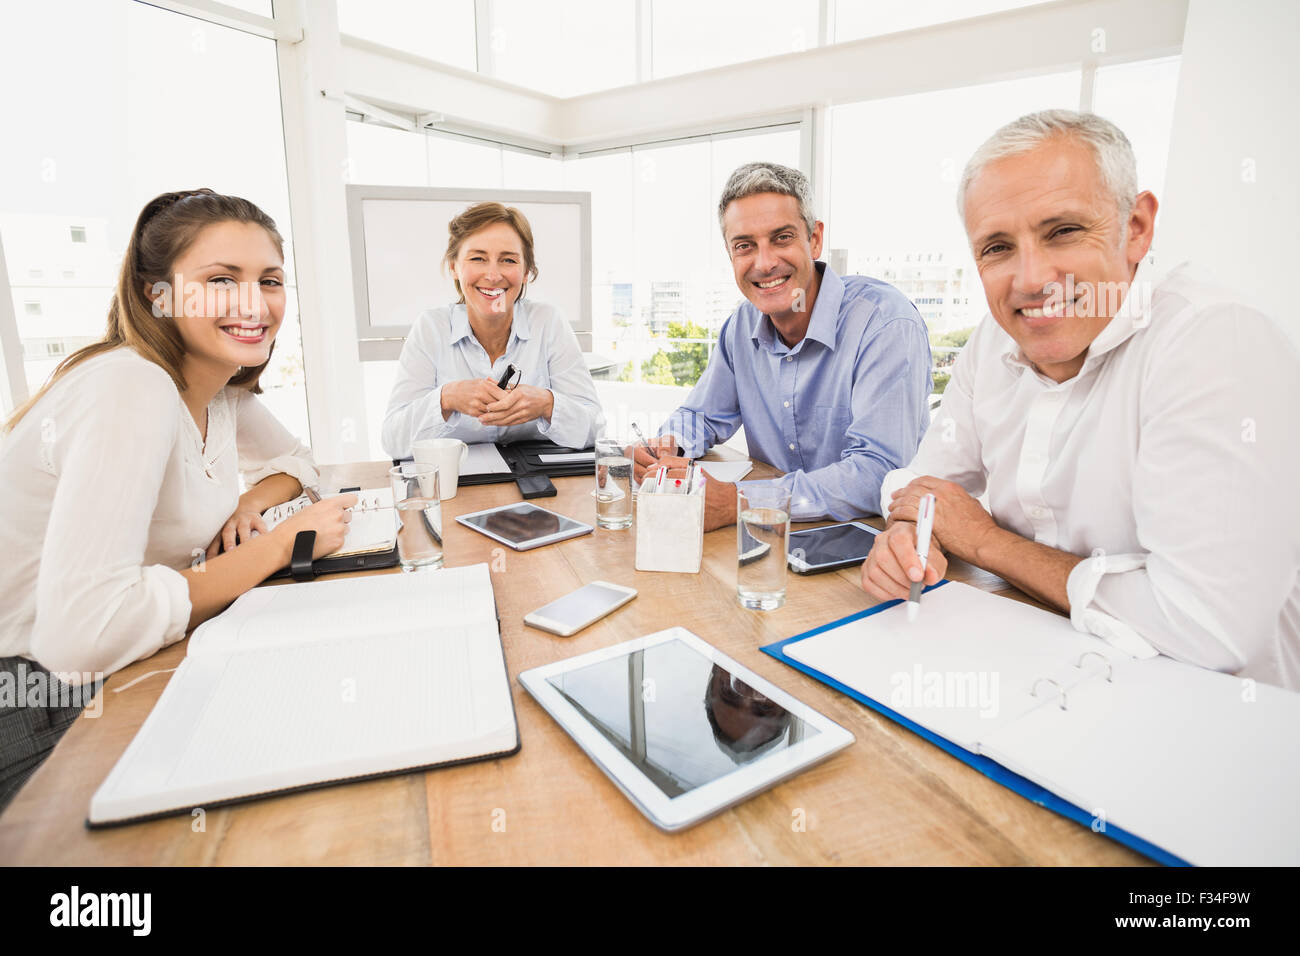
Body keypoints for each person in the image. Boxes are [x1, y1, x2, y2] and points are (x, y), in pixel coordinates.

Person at [860, 110, 1300, 690]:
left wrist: (988, 542)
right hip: (1046, 675)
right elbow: (924, 488)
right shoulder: (992, 342)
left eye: (1062, 231)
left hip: (1215, 719)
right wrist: (905, 537)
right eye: (997, 247)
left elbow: (1206, 629)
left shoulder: (1216, 340)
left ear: (1137, 227)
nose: (1031, 278)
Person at [0, 189, 356, 808]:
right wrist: (277, 546)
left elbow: (299, 464)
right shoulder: (129, 383)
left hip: (111, 667)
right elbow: (82, 637)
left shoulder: (219, 391)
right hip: (32, 700)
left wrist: (252, 503)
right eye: (222, 279)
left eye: (270, 280)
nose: (256, 302)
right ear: (155, 295)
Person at [633, 162, 933, 531]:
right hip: (775, 535)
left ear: (815, 239)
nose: (765, 263)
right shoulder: (740, 326)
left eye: (781, 238)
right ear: (731, 255)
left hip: (872, 539)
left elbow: (879, 472)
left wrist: (741, 501)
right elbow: (701, 415)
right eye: (744, 246)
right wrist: (667, 446)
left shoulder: (885, 323)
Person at [382, 202, 604, 458]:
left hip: (539, 485)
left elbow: (595, 429)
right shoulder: (431, 328)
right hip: (458, 491)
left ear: (526, 272)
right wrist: (447, 398)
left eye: (508, 260)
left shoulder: (548, 322)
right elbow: (393, 440)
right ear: (454, 266)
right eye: (478, 258)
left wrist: (547, 404)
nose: (493, 274)